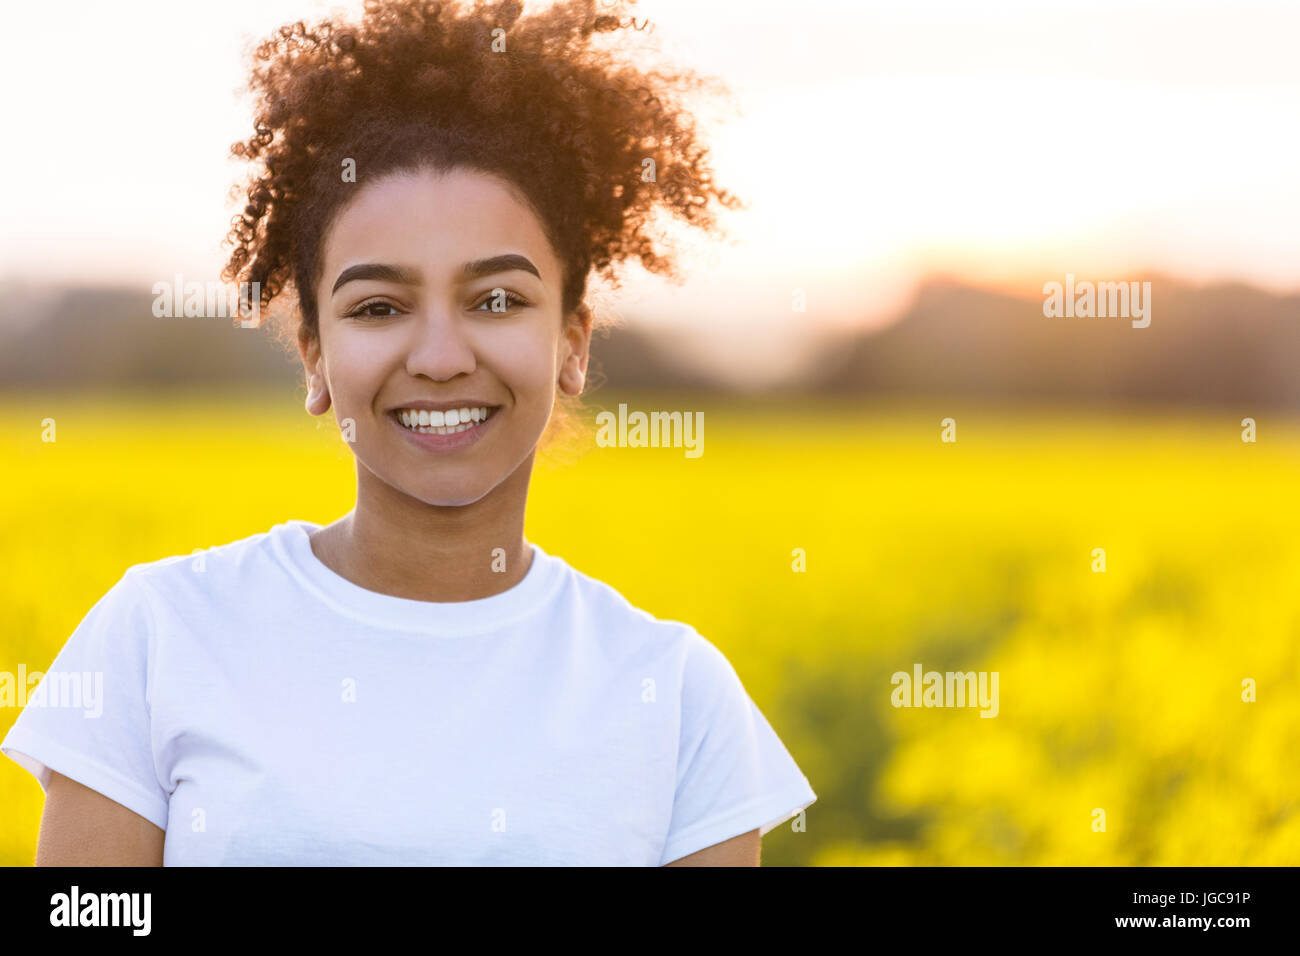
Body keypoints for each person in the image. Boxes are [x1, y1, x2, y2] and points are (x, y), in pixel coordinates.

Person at [1, 0, 815, 865]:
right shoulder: (157, 636)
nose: (437, 356)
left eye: (496, 300)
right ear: (314, 354)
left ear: (572, 344)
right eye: (379, 307)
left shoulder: (680, 698)